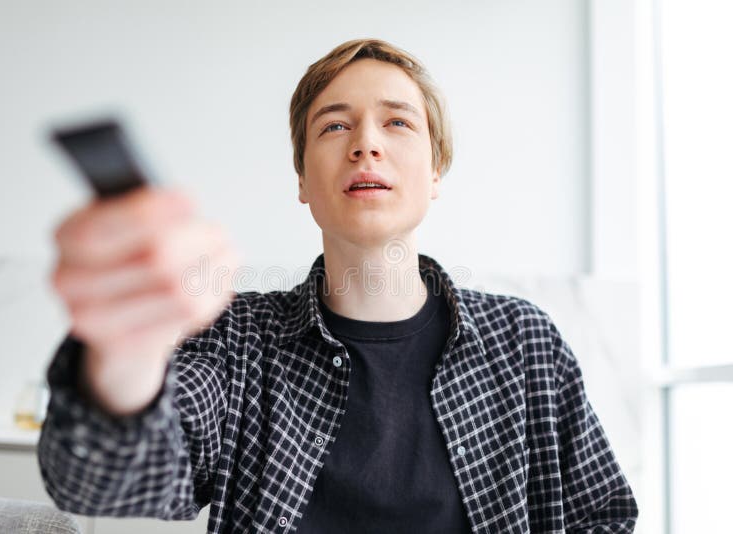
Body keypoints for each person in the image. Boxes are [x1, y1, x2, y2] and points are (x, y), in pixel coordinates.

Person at [38, 38, 638, 533]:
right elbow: (103, 485)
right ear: (303, 179)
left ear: (435, 173)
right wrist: (125, 351)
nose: (366, 144)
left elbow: (603, 516)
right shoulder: (237, 336)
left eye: (398, 122)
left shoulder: (523, 341)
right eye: (334, 127)